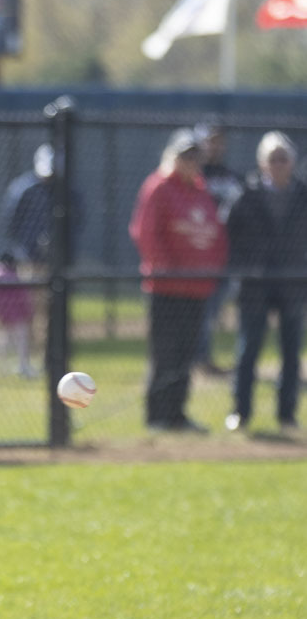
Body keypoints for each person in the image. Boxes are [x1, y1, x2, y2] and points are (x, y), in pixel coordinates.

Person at [128, 127, 226, 433]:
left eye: (195, 155)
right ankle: (158, 415)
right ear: (172, 157)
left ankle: (177, 414)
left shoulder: (200, 190)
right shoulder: (158, 187)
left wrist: (209, 269)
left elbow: (216, 236)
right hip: (166, 288)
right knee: (165, 353)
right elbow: (145, 234)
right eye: (185, 156)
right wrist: (170, 269)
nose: (191, 161)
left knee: (186, 355)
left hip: (197, 288)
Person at [224, 132, 307, 434]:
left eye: (283, 158)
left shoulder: (302, 195)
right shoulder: (246, 194)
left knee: (290, 353)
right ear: (261, 163)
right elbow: (227, 231)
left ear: (292, 163)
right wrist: (242, 268)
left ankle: (287, 415)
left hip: (293, 282)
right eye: (273, 159)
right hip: (254, 284)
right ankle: (240, 412)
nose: (278, 164)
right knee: (248, 350)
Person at [194, 122, 245, 377]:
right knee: (197, 310)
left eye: (219, 141)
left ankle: (203, 358)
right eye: (210, 141)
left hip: (224, 256)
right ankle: (196, 359)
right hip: (196, 256)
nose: (215, 146)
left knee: (212, 310)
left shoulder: (231, 176)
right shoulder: (192, 175)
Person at [0, 252, 36, 379]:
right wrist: (28, 313)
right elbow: (24, 298)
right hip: (17, 315)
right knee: (21, 341)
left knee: (3, 340)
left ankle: (2, 368)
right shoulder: (16, 278)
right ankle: (23, 366)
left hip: (1, 314)